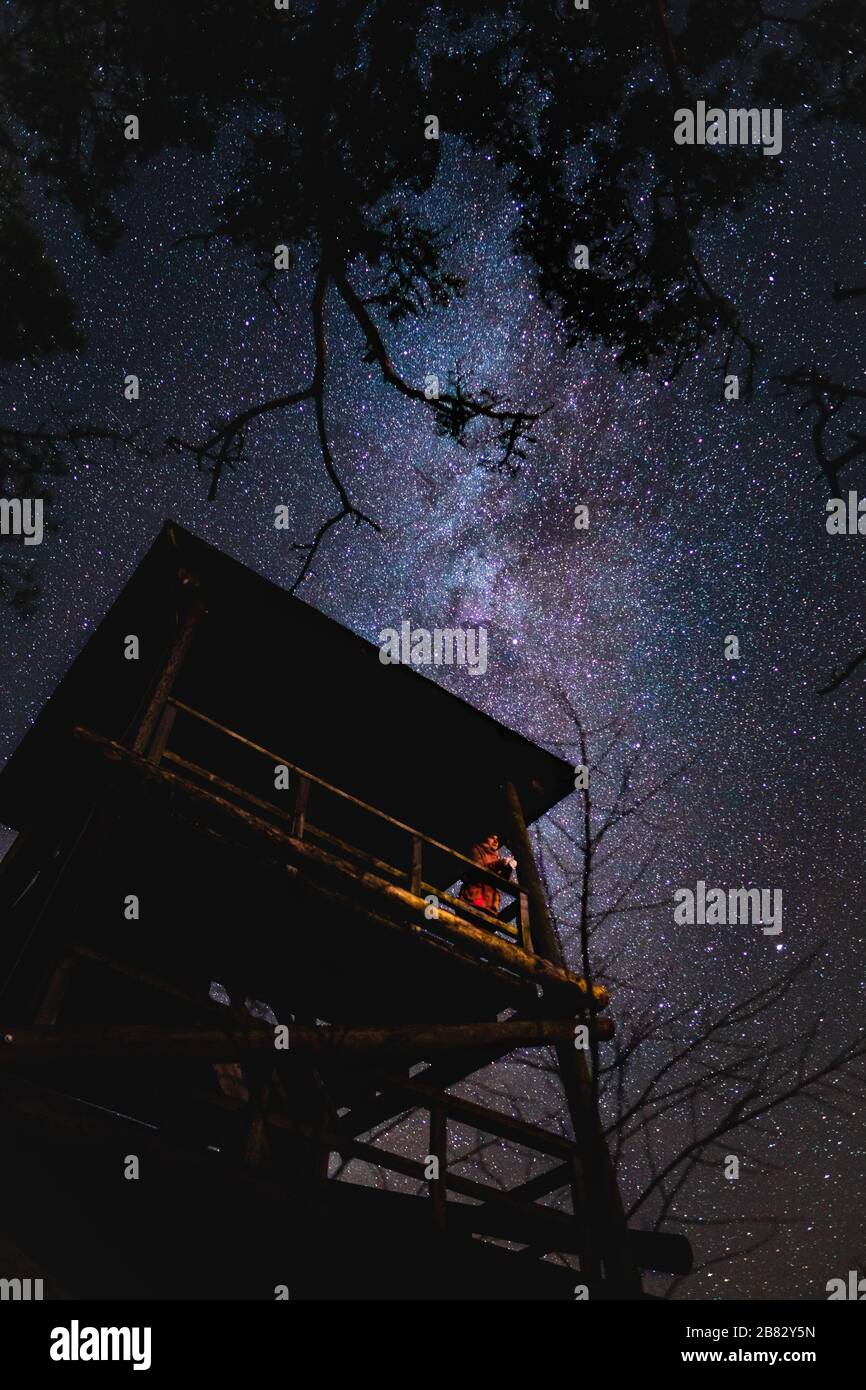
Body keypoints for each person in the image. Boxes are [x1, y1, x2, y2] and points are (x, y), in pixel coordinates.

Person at [458, 832, 517, 916]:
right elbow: (479, 870)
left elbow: (502, 879)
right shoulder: (476, 849)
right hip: (475, 898)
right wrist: (501, 863)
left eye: (497, 840)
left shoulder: (497, 857)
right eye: (492, 838)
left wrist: (508, 868)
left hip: (490, 904)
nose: (496, 841)